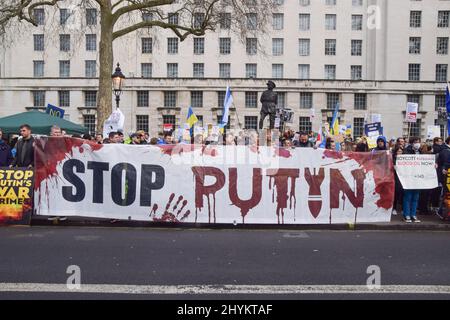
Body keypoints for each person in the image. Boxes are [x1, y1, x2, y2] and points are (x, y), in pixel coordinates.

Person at [401, 137, 422, 223]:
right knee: (408, 197)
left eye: (418, 142)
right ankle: (406, 214)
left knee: (415, 197)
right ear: (412, 143)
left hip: (418, 177)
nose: (417, 143)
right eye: (416, 142)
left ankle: (413, 214)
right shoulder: (406, 151)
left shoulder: (420, 152)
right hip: (409, 177)